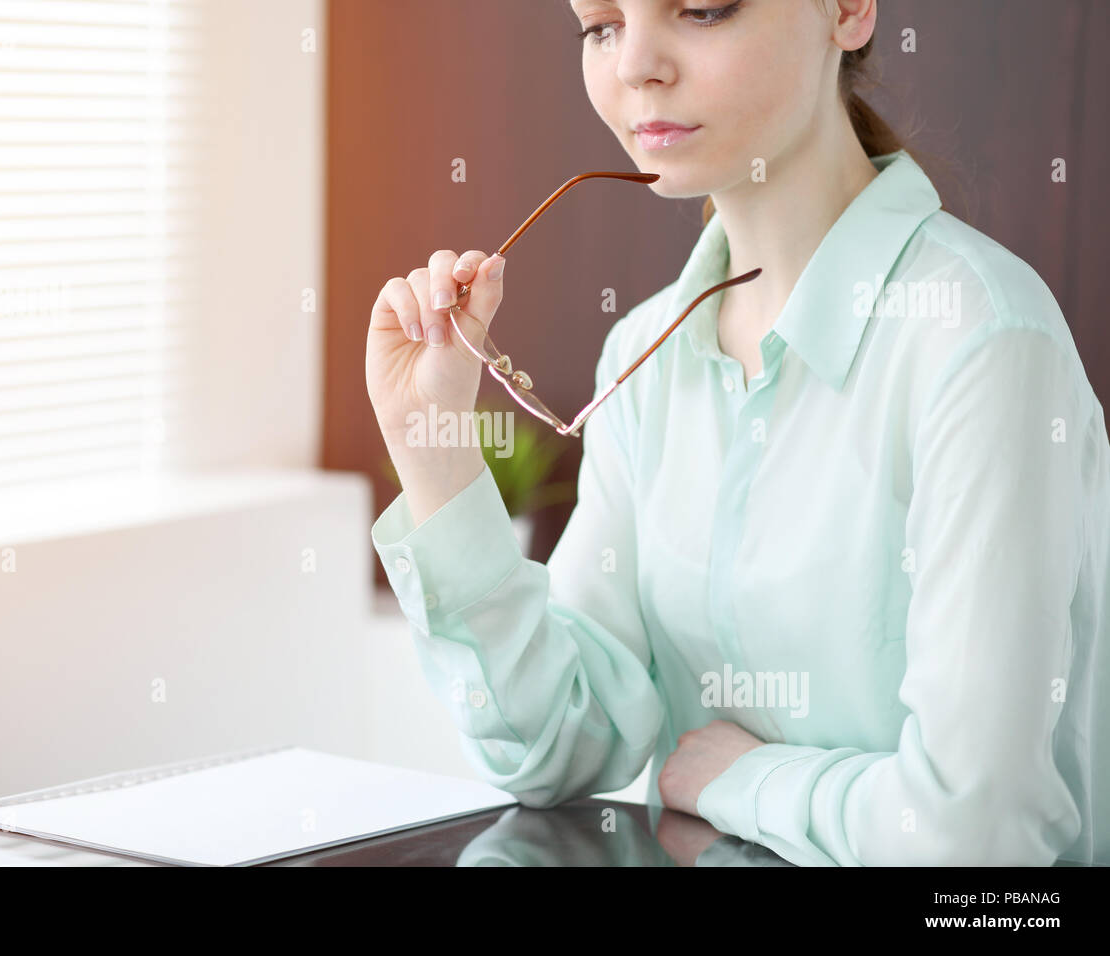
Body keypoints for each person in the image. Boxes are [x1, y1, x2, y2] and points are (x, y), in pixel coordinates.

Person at [363, 0, 1109, 866]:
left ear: (848, 11)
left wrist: (740, 779)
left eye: (703, 9)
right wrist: (433, 454)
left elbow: (978, 835)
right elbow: (555, 745)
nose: (635, 65)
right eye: (600, 26)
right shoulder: (645, 354)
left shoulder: (980, 341)